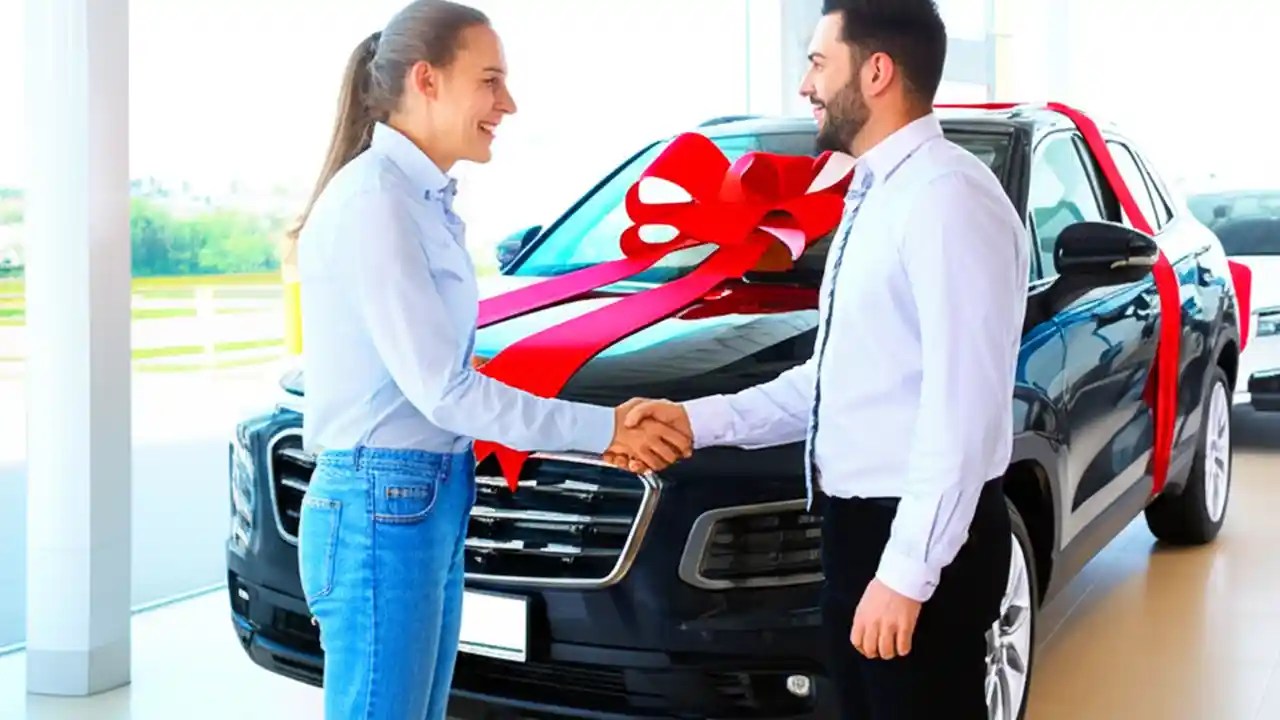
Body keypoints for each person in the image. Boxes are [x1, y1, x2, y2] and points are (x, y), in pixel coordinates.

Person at [614, 1, 1029, 717]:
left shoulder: (945, 198)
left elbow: (963, 407)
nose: (804, 86)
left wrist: (907, 572)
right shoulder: (880, 193)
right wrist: (692, 419)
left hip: (915, 535)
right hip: (861, 528)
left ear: (875, 72)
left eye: (816, 62)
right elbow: (835, 383)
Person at [291, 2, 691, 718]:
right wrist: (606, 432)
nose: (508, 103)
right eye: (491, 80)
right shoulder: (377, 202)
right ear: (427, 80)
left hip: (420, 494)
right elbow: (445, 391)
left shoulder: (415, 198)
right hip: (383, 499)